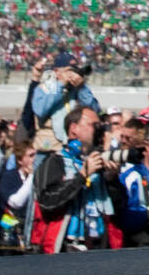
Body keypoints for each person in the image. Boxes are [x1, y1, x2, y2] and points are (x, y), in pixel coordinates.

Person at [31, 105, 124, 252]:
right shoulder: (55, 161)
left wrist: (112, 179)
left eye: (99, 125)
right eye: (93, 125)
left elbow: (119, 208)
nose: (98, 129)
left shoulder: (99, 161)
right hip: (64, 247)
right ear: (74, 129)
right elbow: (46, 202)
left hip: (97, 246)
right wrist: (82, 176)